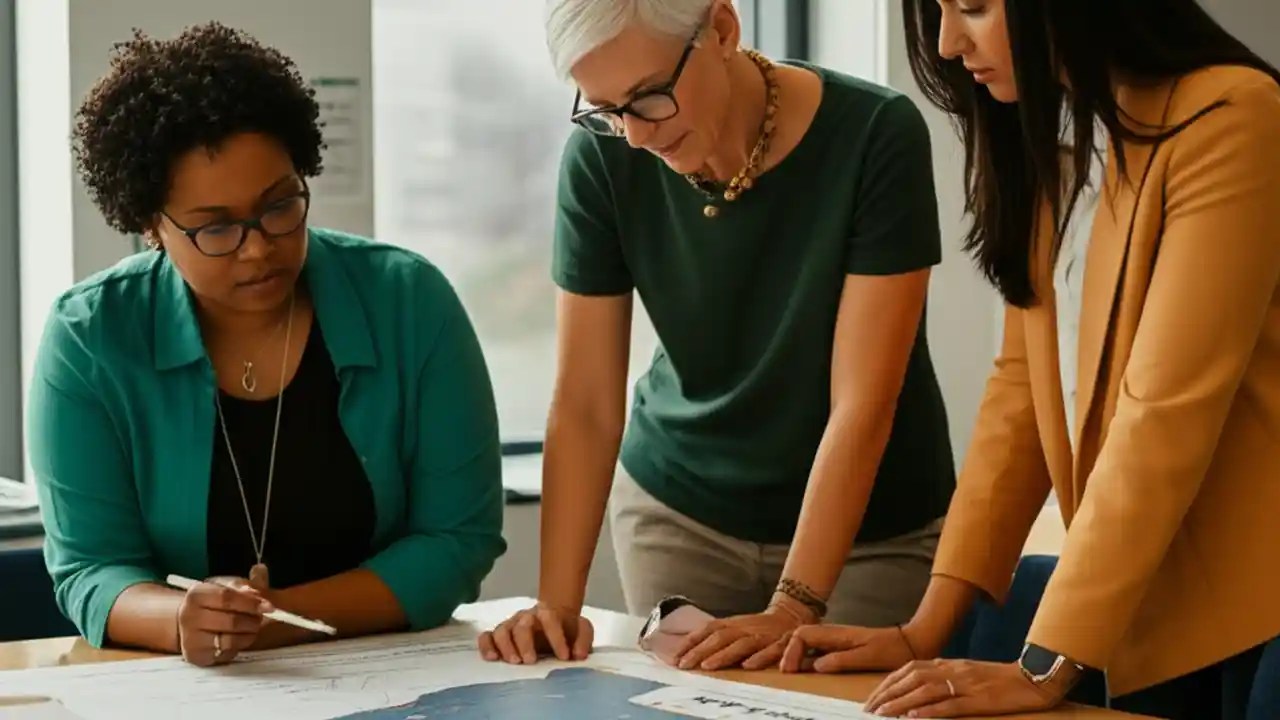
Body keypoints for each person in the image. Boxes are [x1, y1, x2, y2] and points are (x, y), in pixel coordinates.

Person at [773, 1, 1280, 718]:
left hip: (1258, 599)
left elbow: (1164, 412)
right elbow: (1018, 402)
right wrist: (926, 629)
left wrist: (1043, 667)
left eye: (974, 7)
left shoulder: (1233, 117)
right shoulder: (1058, 134)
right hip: (1149, 596)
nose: (949, 43)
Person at [479, 0, 955, 671]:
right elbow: (585, 401)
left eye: (648, 98)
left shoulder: (876, 133)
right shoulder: (603, 156)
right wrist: (558, 604)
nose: (635, 136)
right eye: (605, 110)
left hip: (874, 533)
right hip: (681, 510)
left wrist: (792, 607)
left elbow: (863, 403)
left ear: (724, 30)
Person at [26, 22, 506, 667]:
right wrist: (183, 620)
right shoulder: (89, 337)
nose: (258, 247)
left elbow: (457, 539)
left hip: (393, 673)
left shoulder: (407, 300)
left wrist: (277, 626)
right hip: (177, 687)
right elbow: (90, 568)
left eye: (280, 207)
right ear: (150, 226)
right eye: (215, 228)